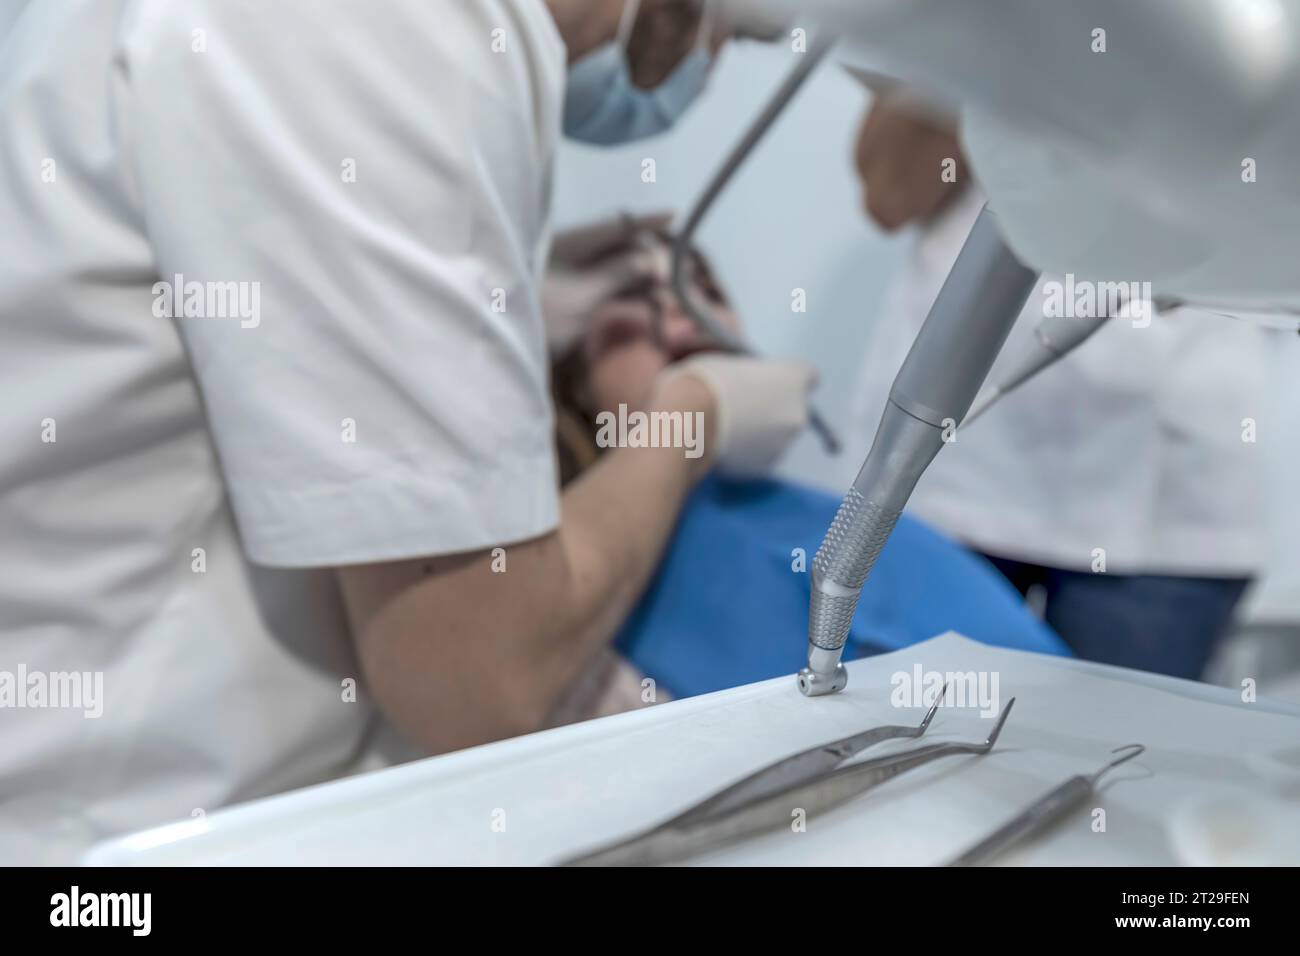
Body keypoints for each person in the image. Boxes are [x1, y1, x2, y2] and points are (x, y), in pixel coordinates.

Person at [0, 0, 804, 863]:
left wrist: (498, 310)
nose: (705, 69)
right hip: (129, 832)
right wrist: (695, 415)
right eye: (720, 34)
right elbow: (474, 676)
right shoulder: (393, 22)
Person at [541, 216, 1069, 721]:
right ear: (570, 386)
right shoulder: (561, 577)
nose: (686, 316)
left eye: (706, 291)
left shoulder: (816, 518)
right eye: (634, 309)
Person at [848, 94, 1274, 680]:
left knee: (1114, 760)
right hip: (953, 467)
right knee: (905, 736)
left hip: (1168, 493)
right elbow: (889, 197)